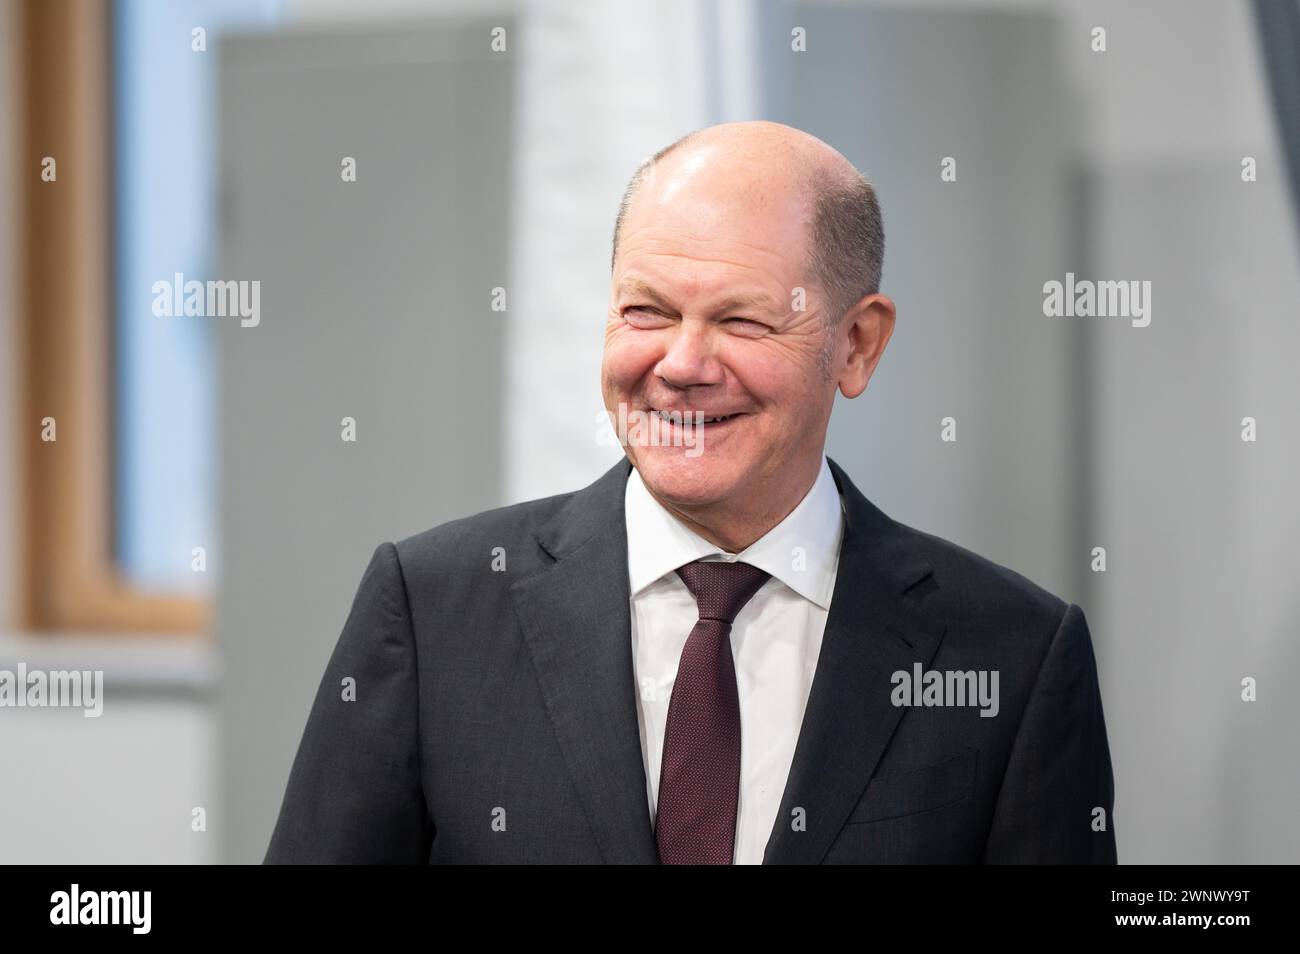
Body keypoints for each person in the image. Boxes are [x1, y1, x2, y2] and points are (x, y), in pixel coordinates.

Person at [265, 120, 1116, 864]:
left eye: (743, 321)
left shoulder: (1010, 656)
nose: (680, 364)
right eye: (646, 311)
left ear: (857, 345)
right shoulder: (435, 611)